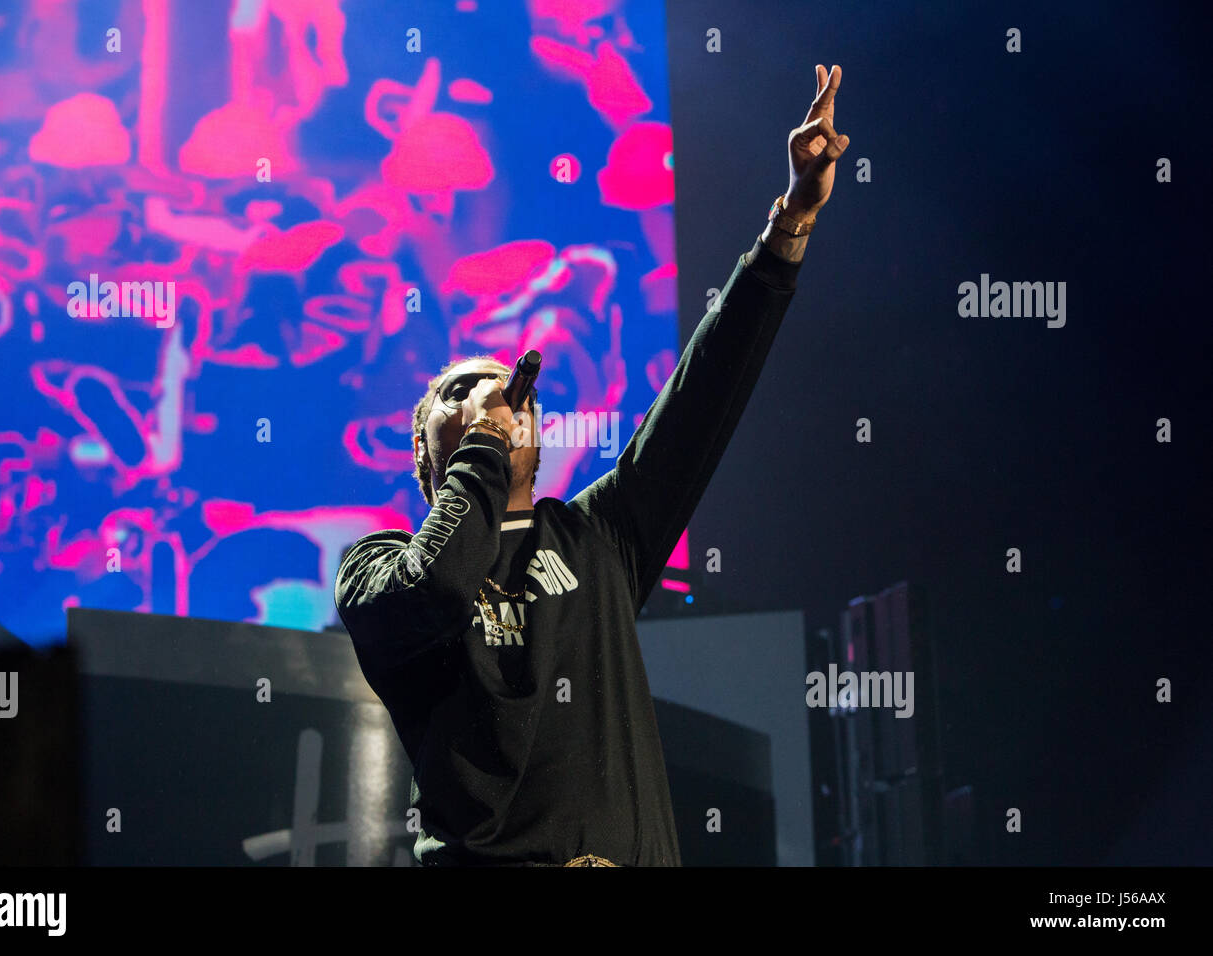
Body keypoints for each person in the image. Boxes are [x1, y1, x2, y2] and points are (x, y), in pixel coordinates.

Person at [335, 65, 848, 866]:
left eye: (499, 386)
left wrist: (789, 225)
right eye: (457, 391)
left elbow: (701, 397)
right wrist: (483, 448)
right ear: (423, 457)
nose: (487, 392)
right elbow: (434, 588)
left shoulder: (597, 539)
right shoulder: (375, 568)